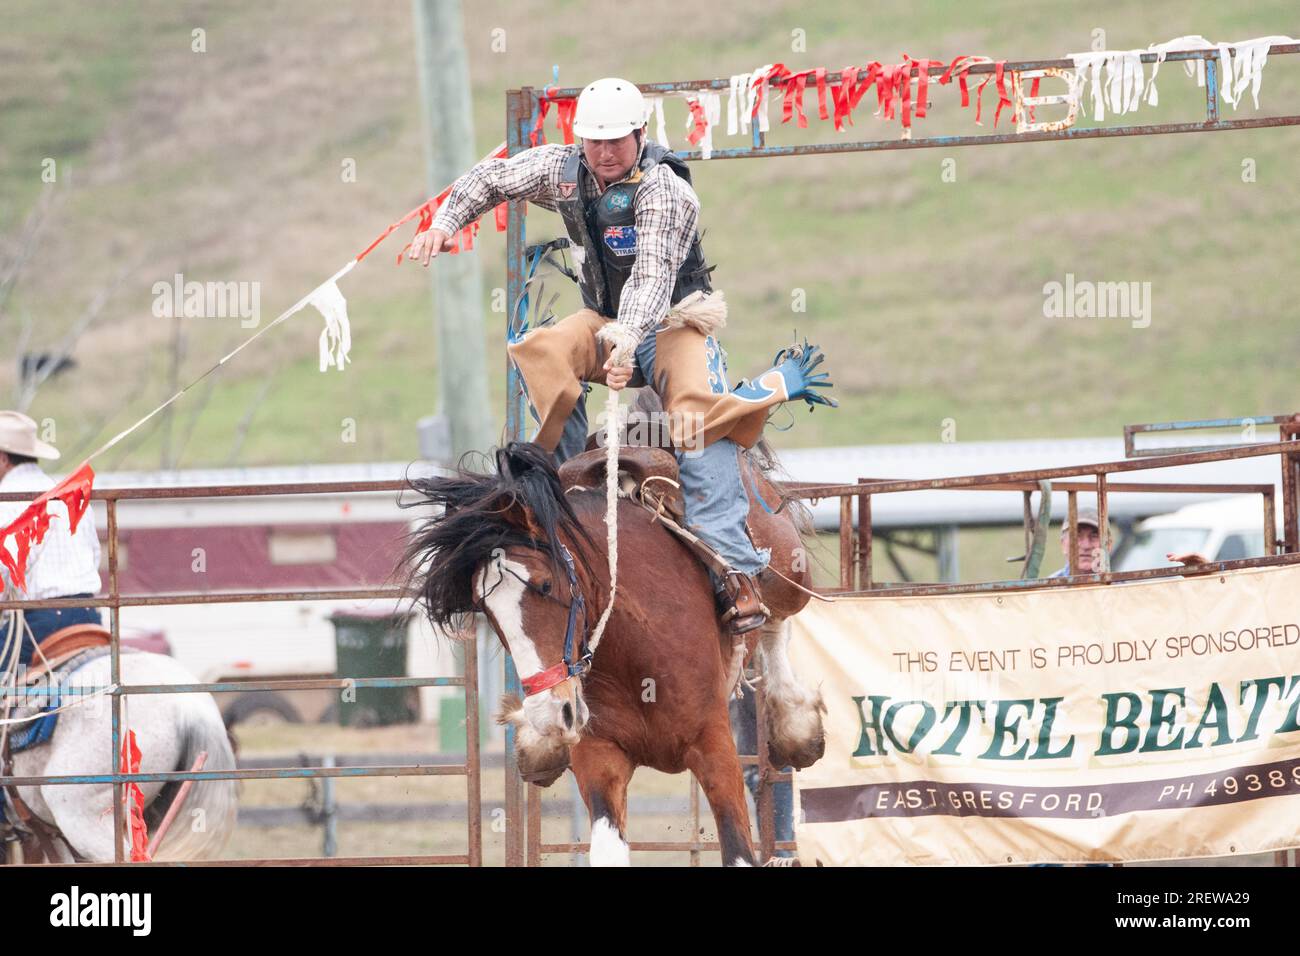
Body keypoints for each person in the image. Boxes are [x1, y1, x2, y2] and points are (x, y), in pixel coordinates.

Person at [407, 77, 834, 635]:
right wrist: (444, 222)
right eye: (593, 141)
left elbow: (653, 277)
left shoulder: (666, 191)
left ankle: (734, 571)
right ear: (579, 139)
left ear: (640, 134)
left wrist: (628, 340)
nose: (604, 153)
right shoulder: (563, 171)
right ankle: (555, 484)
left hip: (674, 321)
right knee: (540, 350)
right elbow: (493, 177)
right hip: (603, 320)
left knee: (695, 420)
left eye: (615, 141)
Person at [0, 412, 103, 672]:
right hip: (89, 615)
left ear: (2, 459)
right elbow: (94, 555)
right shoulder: (65, 494)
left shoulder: (6, 502)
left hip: (42, 622)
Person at [1047, 508, 1108, 577]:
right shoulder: (1050, 586)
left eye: (1094, 536)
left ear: (1108, 545)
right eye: (1077, 536)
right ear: (1063, 544)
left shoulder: (1119, 584)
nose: (1086, 546)